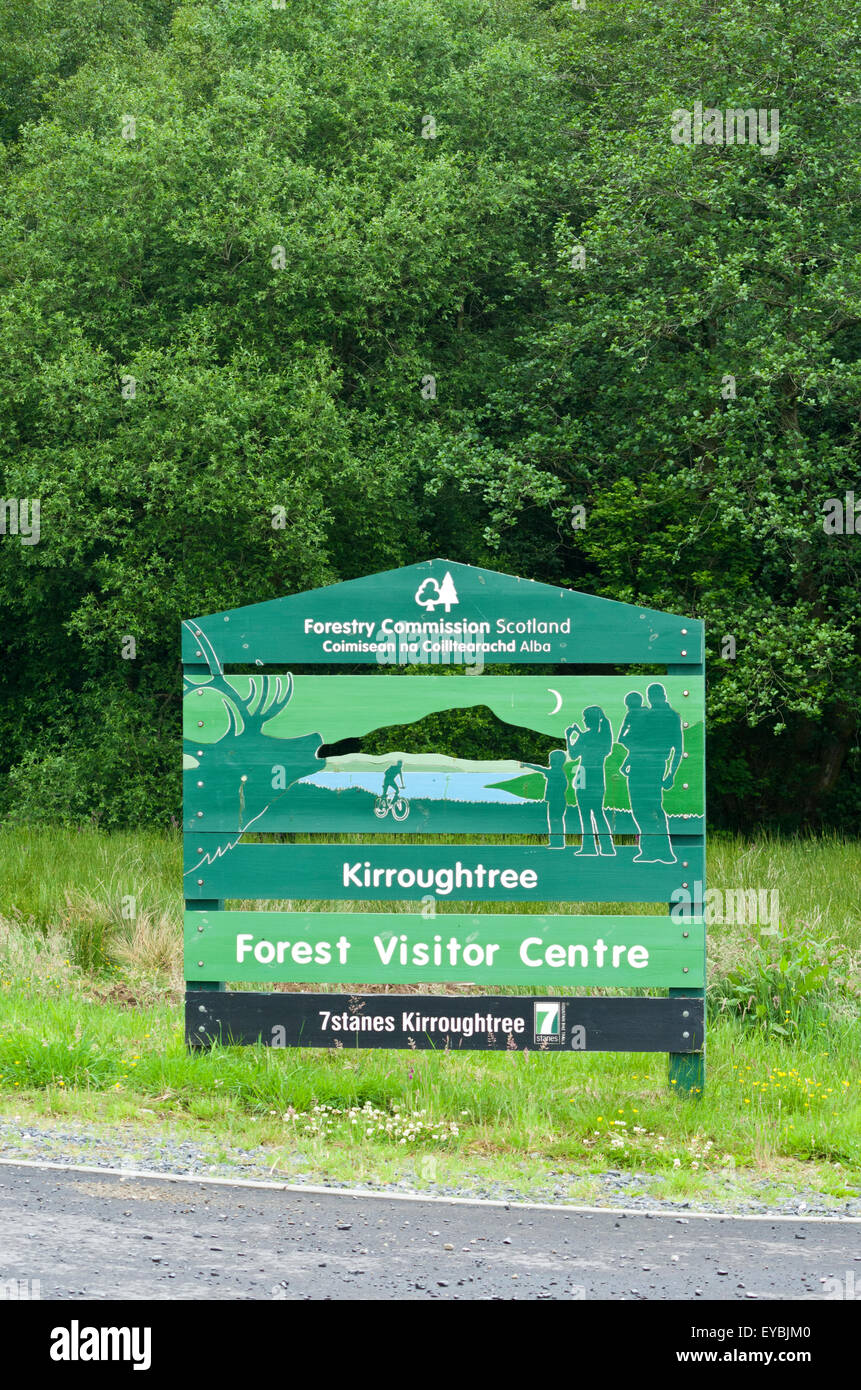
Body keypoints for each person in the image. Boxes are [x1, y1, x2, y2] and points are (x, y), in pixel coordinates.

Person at [618, 685, 681, 863]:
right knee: (643, 809)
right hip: (642, 765)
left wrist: (671, 774)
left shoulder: (666, 716)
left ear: (662, 695)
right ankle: (651, 850)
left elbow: (678, 747)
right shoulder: (649, 715)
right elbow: (638, 744)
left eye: (654, 696)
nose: (653, 700)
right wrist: (628, 761)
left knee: (650, 808)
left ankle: (662, 850)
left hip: (651, 766)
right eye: (651, 696)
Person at [565, 707, 615, 856]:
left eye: (585, 717)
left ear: (590, 719)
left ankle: (589, 847)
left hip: (584, 775)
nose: (584, 720)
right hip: (597, 776)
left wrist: (570, 737)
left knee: (585, 814)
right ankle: (607, 847)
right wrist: (580, 735)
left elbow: (573, 754)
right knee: (598, 812)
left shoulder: (585, 737)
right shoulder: (604, 736)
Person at [520, 749, 569, 848]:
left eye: (550, 759)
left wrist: (526, 764)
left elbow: (539, 768)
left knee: (555, 821)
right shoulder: (558, 772)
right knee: (555, 821)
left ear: (555, 761)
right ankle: (557, 842)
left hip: (556, 801)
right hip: (557, 801)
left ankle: (557, 843)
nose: (549, 761)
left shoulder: (555, 772)